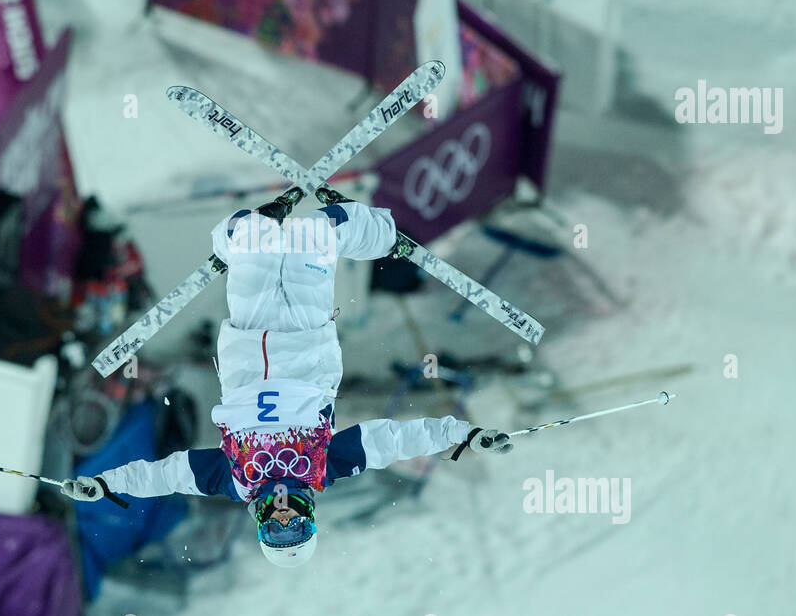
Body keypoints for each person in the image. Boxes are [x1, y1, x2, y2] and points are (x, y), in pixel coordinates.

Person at [59, 194, 513, 567]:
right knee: (316, 233)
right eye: (292, 524)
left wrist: (106, 484)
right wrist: (463, 434)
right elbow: (395, 440)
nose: (282, 515)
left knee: (249, 237)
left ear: (261, 524)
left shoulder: (232, 479)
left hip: (247, 335)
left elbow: (163, 476)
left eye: (274, 528)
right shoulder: (326, 466)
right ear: (308, 517)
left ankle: (241, 231)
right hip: (307, 337)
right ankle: (374, 230)